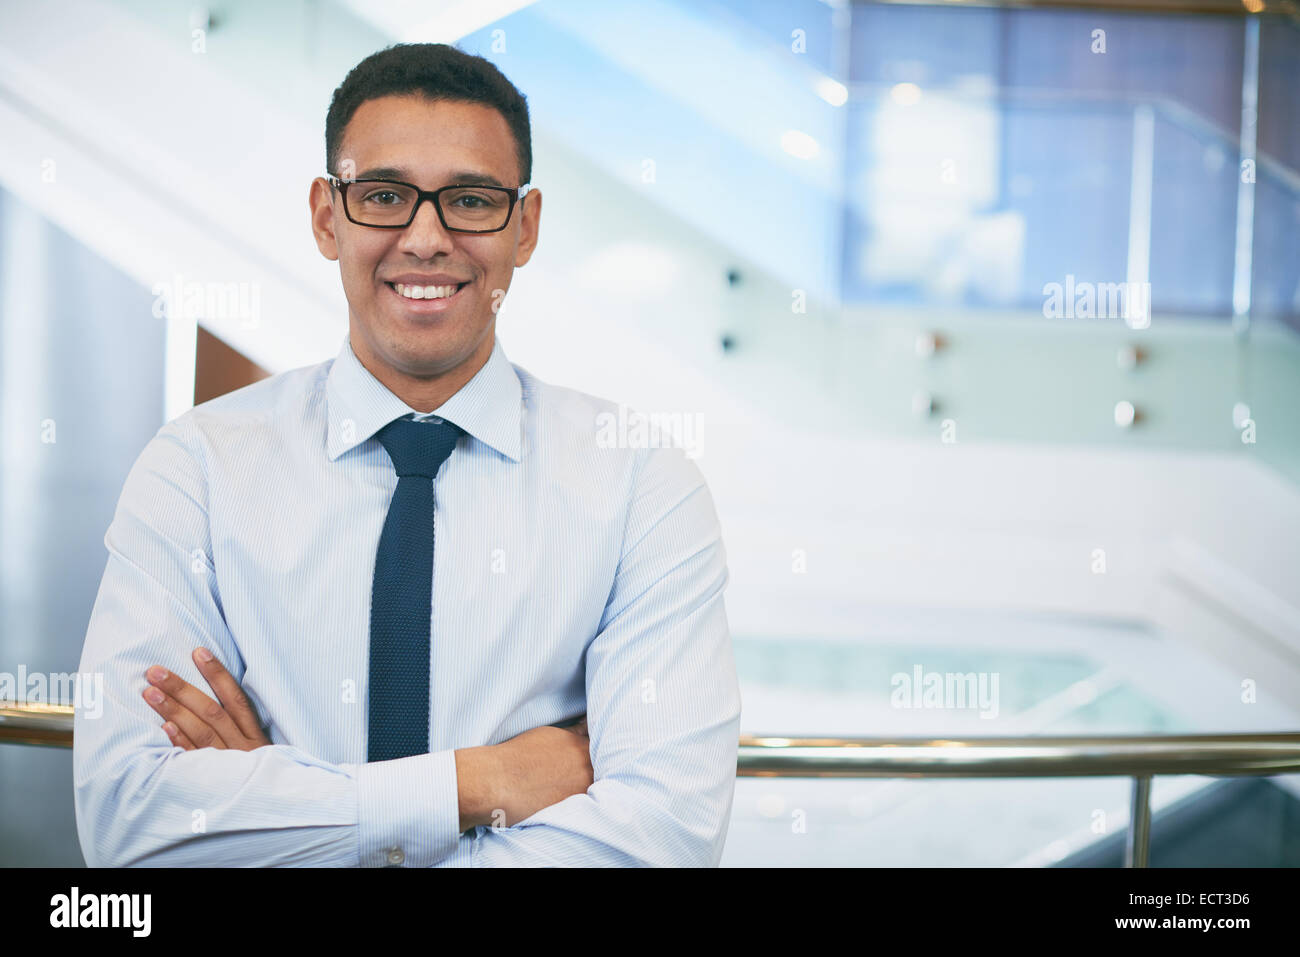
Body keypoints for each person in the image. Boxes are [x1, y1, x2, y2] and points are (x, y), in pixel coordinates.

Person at [73, 42, 741, 867]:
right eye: (385, 196)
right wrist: (477, 782)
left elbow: (661, 841)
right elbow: (129, 825)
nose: (426, 240)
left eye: (469, 199)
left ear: (524, 227)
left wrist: (280, 808)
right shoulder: (197, 471)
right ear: (328, 216)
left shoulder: (642, 484)